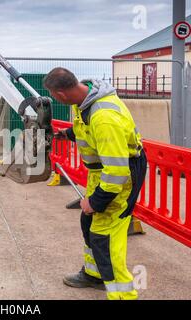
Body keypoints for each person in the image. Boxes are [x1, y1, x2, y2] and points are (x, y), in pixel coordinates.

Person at [43, 67, 147, 300]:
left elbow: (117, 171)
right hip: (101, 173)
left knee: (104, 240)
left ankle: (124, 294)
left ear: (60, 94)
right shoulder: (85, 100)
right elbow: (84, 128)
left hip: (119, 176)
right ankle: (94, 275)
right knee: (88, 220)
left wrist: (97, 201)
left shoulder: (104, 117)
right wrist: (65, 134)